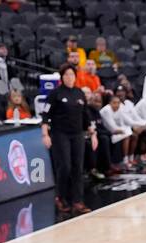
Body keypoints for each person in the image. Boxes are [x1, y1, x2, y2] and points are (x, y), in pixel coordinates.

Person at [42, 65, 95, 215]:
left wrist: (93, 133)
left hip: (77, 134)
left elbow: (86, 116)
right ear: (62, 77)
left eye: (72, 74)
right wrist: (45, 134)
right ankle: (61, 197)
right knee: (64, 166)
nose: (69, 77)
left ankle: (78, 201)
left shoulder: (79, 93)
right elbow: (45, 115)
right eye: (66, 74)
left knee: (78, 167)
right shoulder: (55, 94)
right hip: (60, 134)